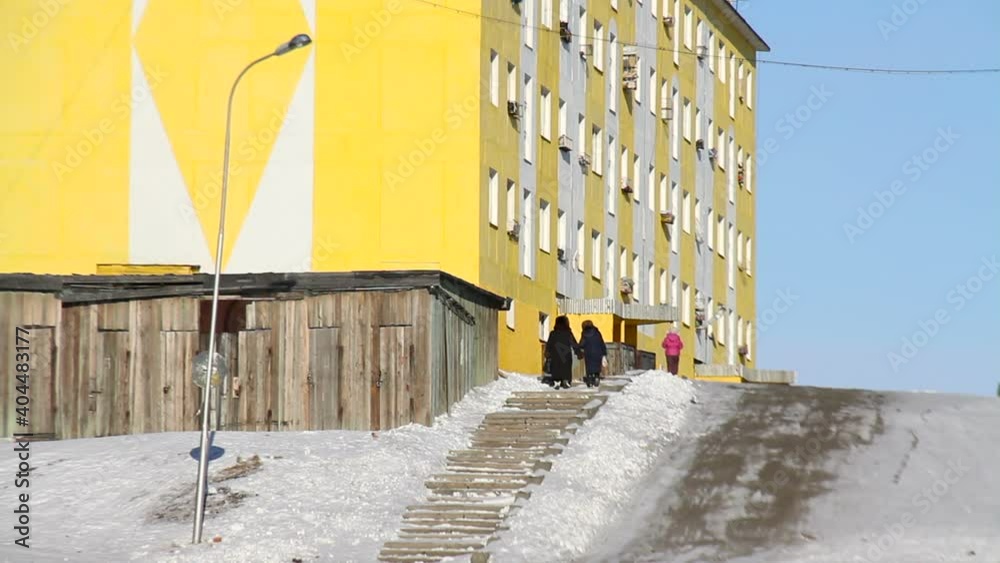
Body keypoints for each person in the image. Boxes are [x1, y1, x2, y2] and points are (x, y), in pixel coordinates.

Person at [544, 315, 581, 389]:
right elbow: (573, 343)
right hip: (566, 354)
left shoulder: (553, 333)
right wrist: (578, 352)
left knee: (556, 367)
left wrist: (547, 352)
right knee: (566, 368)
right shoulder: (568, 333)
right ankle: (565, 380)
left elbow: (549, 344)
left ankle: (556, 380)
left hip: (555, 354)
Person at [578, 320, 608, 388]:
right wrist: (604, 353)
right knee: (597, 367)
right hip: (598, 352)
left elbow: (582, 343)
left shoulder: (584, 333)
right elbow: (601, 343)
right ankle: (596, 377)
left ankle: (590, 380)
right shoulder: (597, 332)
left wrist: (579, 346)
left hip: (589, 353)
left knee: (589, 368)